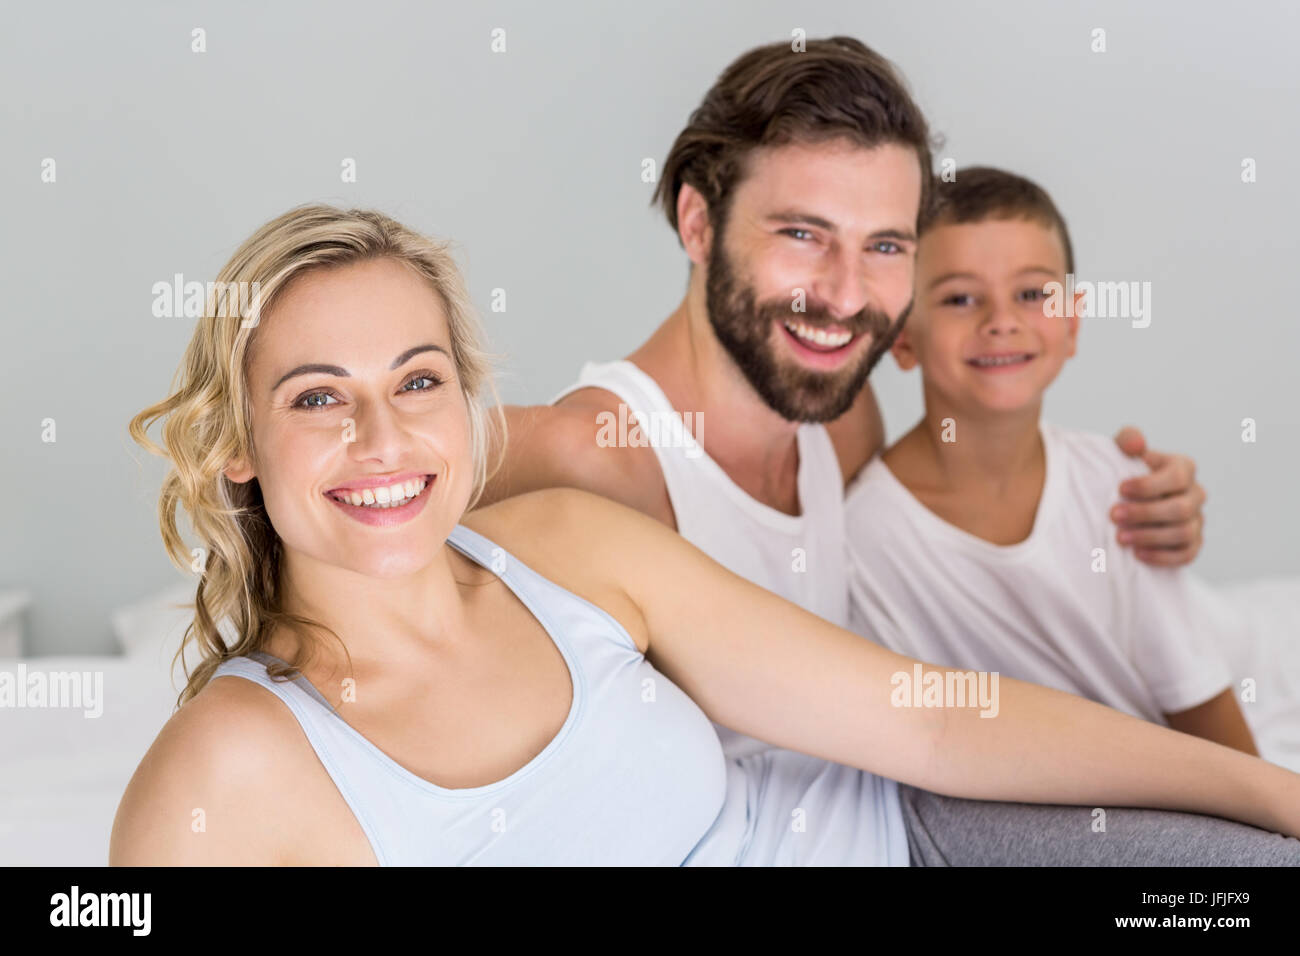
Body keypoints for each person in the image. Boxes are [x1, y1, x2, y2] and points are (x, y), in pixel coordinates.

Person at [111, 204, 1300, 866]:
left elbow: (927, 714)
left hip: (913, 841)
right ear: (239, 443)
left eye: (417, 381)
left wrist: (1271, 790)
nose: (381, 436)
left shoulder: (568, 550)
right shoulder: (230, 768)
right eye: (318, 396)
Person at [476, 36, 1213, 859]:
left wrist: (1142, 499)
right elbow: (352, 507)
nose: (846, 296)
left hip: (911, 812)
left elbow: (947, 504)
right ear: (697, 221)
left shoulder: (838, 418)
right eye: (802, 233)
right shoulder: (591, 457)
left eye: (886, 245)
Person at [845, 166, 1257, 756]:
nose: (1001, 321)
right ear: (903, 339)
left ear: (1071, 323)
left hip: (1162, 787)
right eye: (960, 298)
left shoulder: (1121, 490)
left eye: (1033, 294)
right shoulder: (865, 535)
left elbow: (1202, 706)